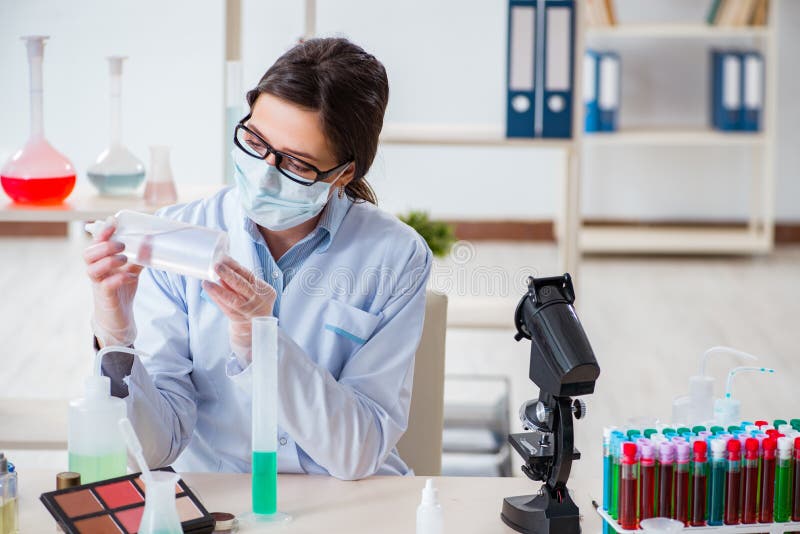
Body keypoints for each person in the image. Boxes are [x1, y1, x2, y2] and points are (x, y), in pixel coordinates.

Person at [83, 37, 432, 480]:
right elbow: (152, 449)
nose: (265, 170)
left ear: (344, 173)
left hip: (343, 497)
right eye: (255, 140)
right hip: (219, 496)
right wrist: (115, 335)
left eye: (298, 164)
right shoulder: (177, 238)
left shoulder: (395, 256)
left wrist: (258, 340)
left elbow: (357, 453)